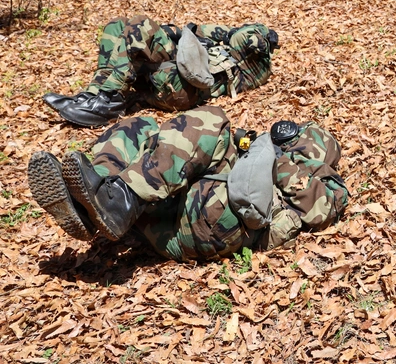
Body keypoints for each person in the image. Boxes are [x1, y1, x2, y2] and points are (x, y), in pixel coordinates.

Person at [27, 106, 349, 262]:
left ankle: (118, 200)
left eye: (298, 137)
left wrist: (281, 161)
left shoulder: (319, 173)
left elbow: (324, 207)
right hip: (176, 221)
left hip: (218, 222)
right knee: (140, 125)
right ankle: (95, 204)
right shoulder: (263, 149)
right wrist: (247, 144)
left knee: (212, 121)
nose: (287, 136)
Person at [42, 16, 279, 126]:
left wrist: (265, 33)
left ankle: (109, 98)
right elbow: (196, 29)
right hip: (171, 83)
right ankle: (93, 95)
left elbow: (242, 36)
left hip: (183, 88)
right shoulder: (239, 49)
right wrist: (174, 32)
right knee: (118, 26)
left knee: (139, 26)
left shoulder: (256, 65)